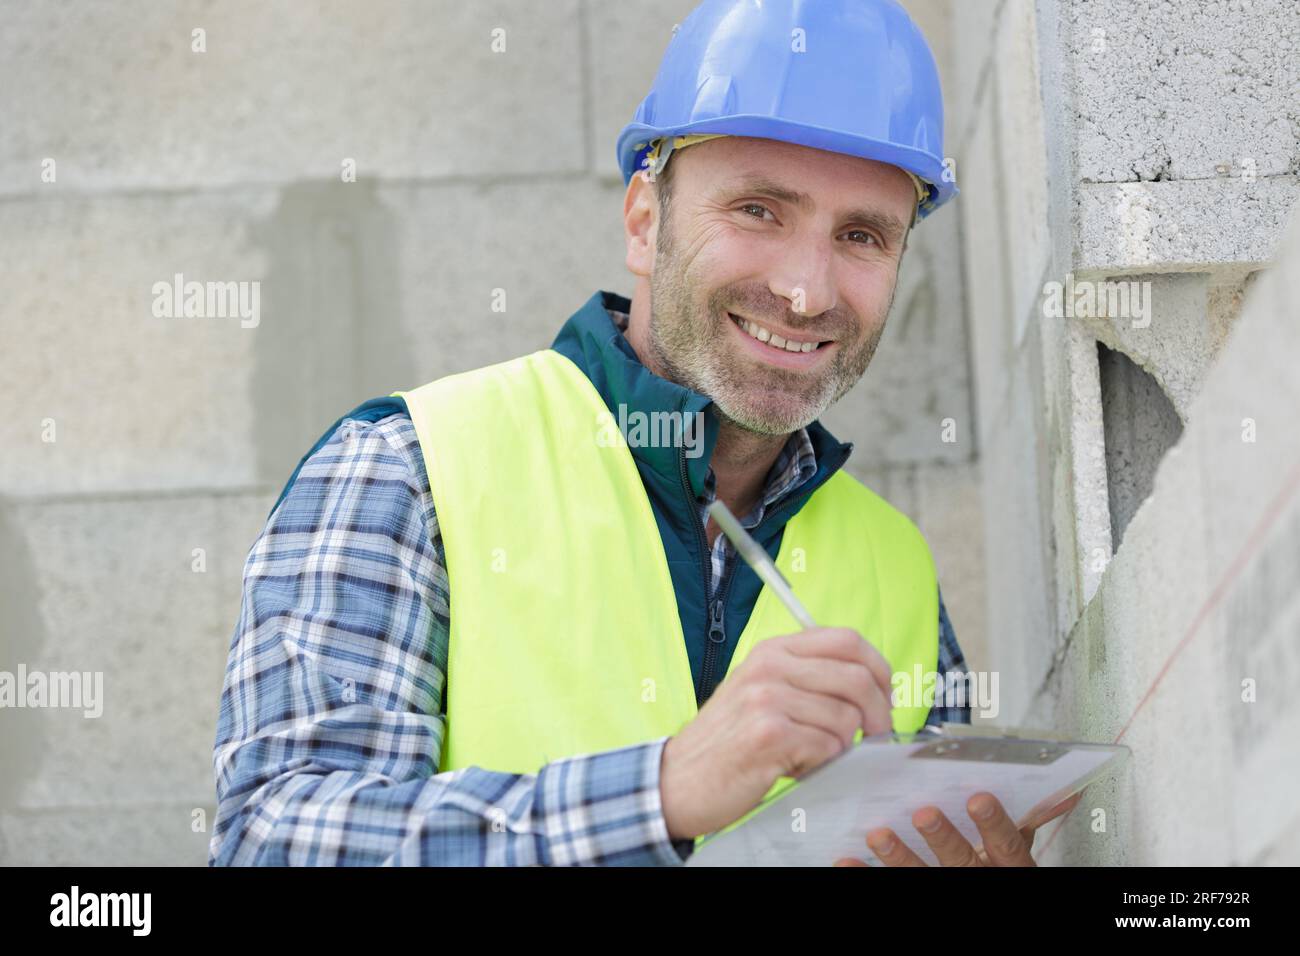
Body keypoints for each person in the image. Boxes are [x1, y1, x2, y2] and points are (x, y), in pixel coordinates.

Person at [209, 0, 1074, 867]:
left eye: (861, 235)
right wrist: (663, 791)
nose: (808, 291)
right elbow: (275, 842)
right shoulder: (409, 467)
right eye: (759, 211)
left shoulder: (899, 574)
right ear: (644, 220)